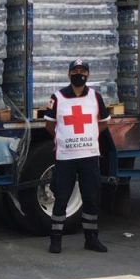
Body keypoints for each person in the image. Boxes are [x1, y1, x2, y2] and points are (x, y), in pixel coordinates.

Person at [43, 59, 111, 254]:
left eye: (82, 70)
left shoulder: (95, 97)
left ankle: (91, 238)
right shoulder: (58, 97)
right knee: (62, 197)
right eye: (75, 70)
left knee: (90, 196)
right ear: (69, 74)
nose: (78, 74)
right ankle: (55, 240)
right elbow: (49, 125)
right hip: (65, 157)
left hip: (89, 156)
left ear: (87, 74)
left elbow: (104, 122)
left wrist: (89, 134)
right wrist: (64, 137)